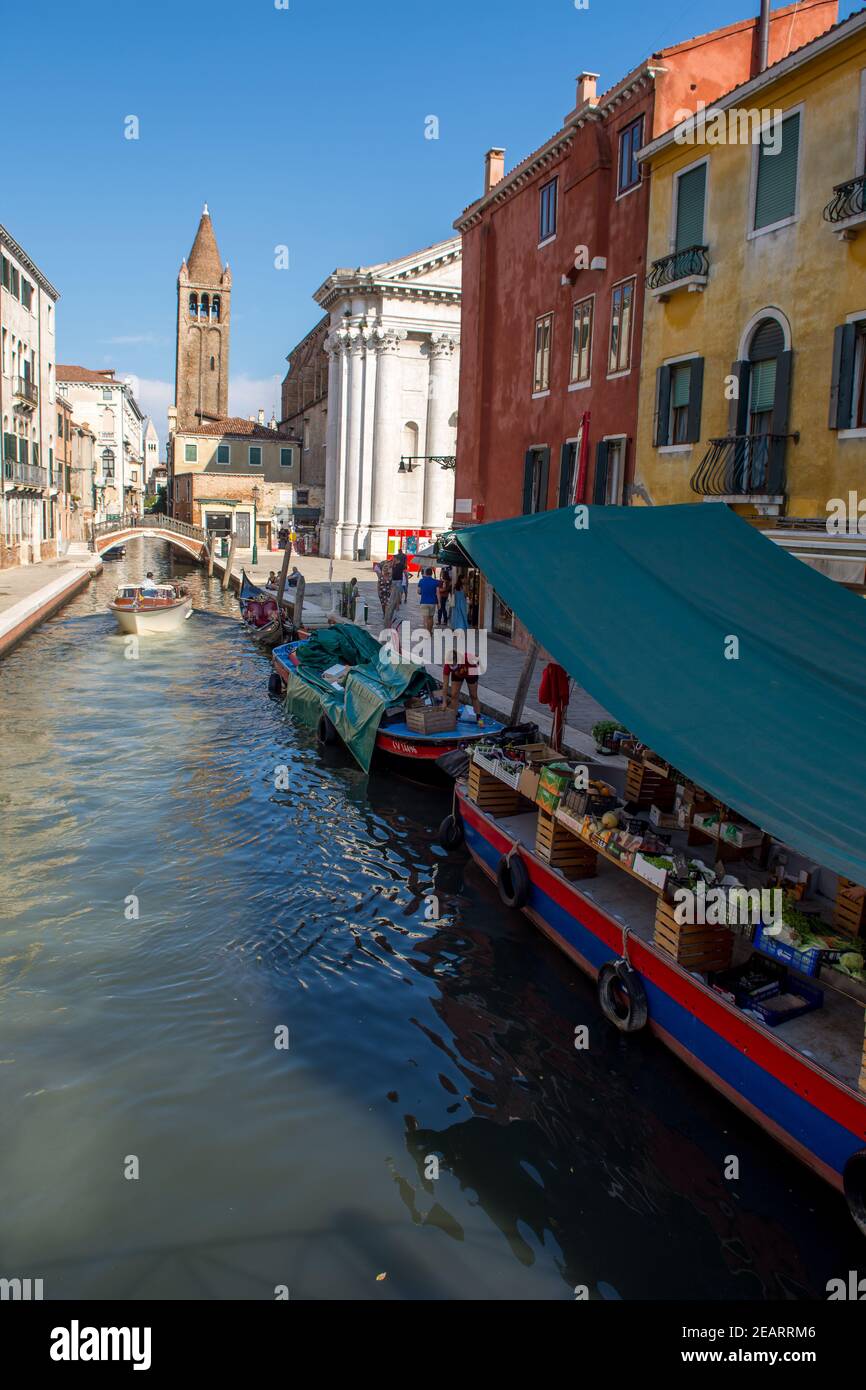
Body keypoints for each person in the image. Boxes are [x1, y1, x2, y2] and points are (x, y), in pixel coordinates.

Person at [443, 651, 483, 725]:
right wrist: (444, 701)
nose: (452, 666)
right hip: (457, 674)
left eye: (454, 664)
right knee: (454, 694)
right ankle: (454, 715)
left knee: (473, 695)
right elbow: (445, 684)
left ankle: (478, 717)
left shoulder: (468, 658)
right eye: (450, 665)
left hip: (471, 671)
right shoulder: (447, 666)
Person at [417, 567, 439, 634]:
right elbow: (438, 593)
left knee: (425, 619)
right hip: (432, 602)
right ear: (432, 573)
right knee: (431, 618)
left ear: (425, 573)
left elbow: (418, 591)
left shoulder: (421, 581)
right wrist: (439, 603)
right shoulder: (435, 582)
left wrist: (422, 592)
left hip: (424, 602)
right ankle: (429, 631)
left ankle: (425, 632)